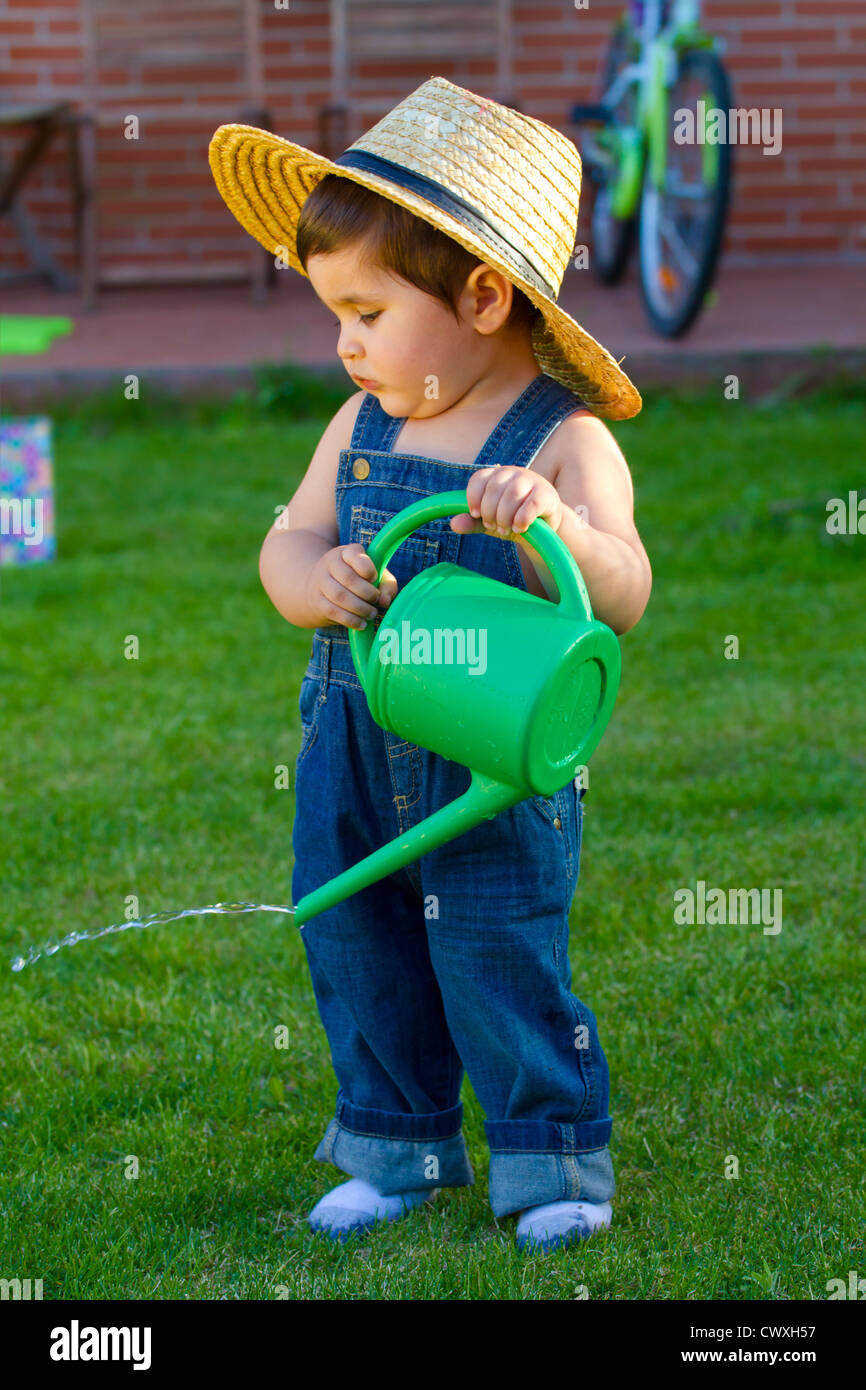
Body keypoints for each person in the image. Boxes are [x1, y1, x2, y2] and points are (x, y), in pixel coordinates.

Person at [208, 76, 651, 1253]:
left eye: (365, 310)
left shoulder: (560, 440)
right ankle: (392, 1141)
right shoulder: (360, 425)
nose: (343, 342)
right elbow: (286, 539)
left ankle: (548, 1153)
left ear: (482, 295)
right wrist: (314, 581)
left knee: (496, 939)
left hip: (487, 753)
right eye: (331, 315)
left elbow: (624, 587)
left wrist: (550, 523)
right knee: (358, 935)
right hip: (352, 737)